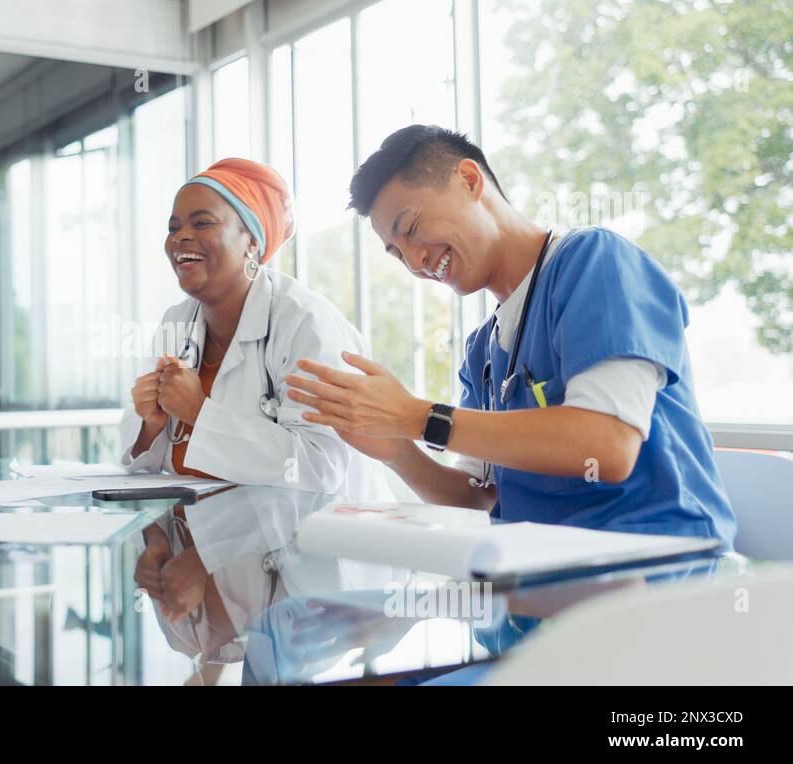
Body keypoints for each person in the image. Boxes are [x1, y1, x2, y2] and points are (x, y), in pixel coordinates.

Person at [286, 125, 735, 545]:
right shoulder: (483, 350)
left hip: (657, 574)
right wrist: (398, 451)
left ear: (468, 180)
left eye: (412, 228)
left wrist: (416, 415)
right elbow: (479, 500)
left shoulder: (595, 262)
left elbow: (607, 445)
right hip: (542, 579)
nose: (416, 261)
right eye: (396, 253)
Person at [119, 158, 386, 497]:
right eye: (174, 228)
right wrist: (150, 426)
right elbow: (143, 460)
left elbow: (320, 467)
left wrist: (199, 414)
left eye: (202, 223)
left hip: (310, 539)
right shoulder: (177, 320)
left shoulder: (305, 321)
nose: (181, 237)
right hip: (199, 532)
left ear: (252, 243)